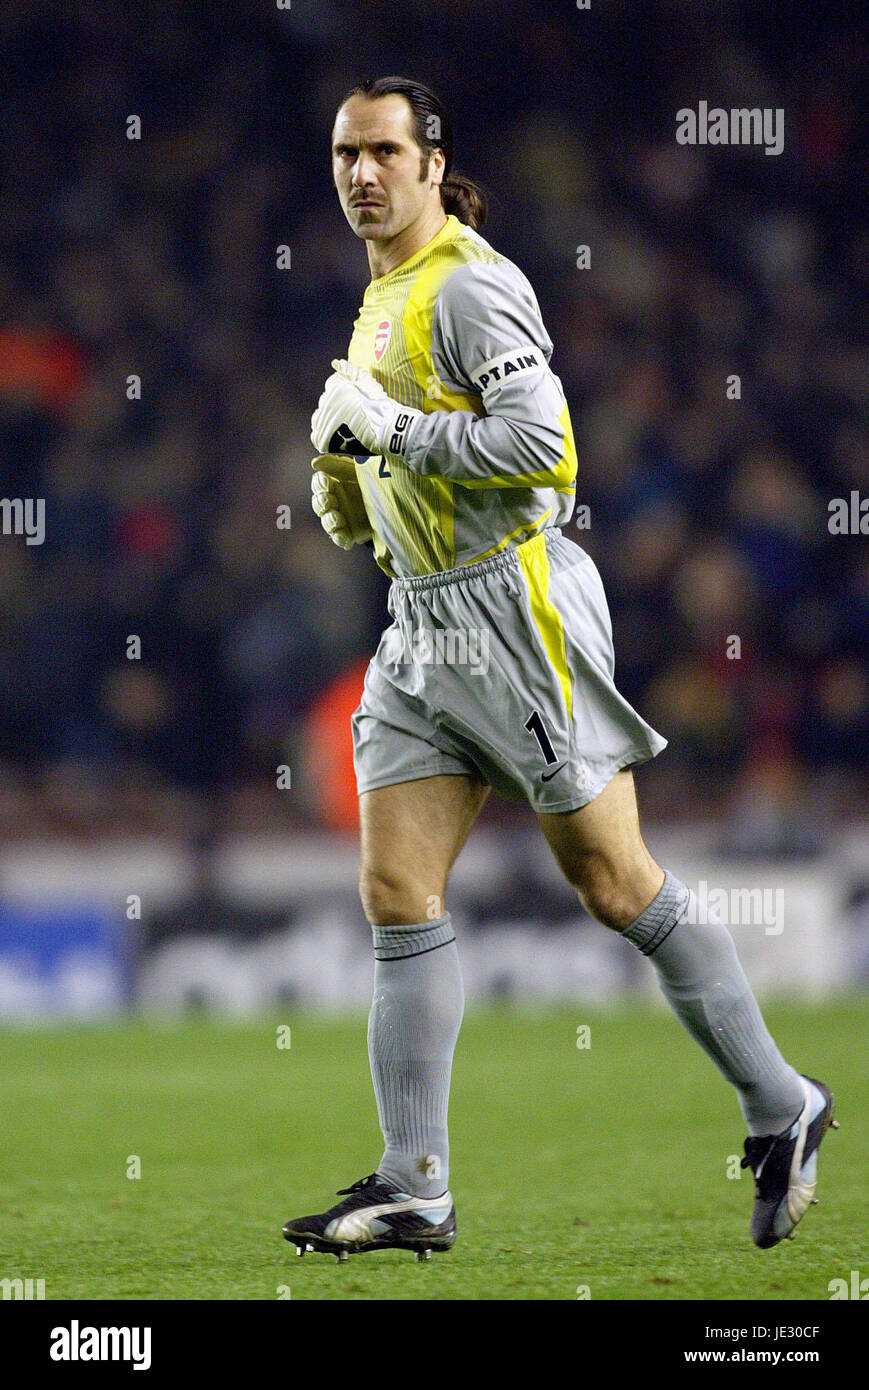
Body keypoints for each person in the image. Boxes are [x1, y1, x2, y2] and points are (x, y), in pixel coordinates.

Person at [282, 75, 836, 1263]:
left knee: (613, 881)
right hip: (420, 618)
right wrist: (354, 494)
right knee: (394, 889)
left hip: (512, 611)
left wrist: (395, 438)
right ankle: (414, 1184)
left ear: (433, 161)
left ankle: (779, 1101)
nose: (361, 174)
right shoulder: (382, 297)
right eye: (343, 154)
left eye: (382, 151)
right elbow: (402, 452)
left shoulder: (473, 284)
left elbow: (546, 450)